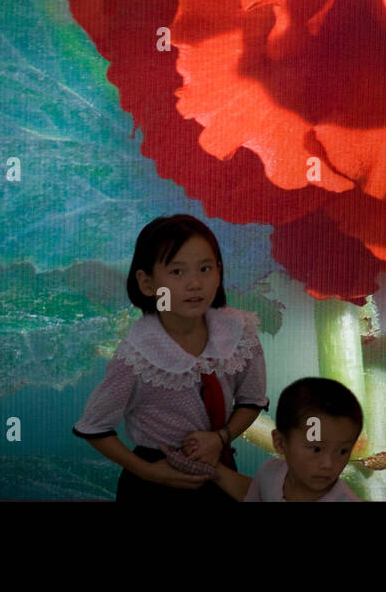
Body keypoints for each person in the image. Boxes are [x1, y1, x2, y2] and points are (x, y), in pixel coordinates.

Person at [72, 214, 268, 501]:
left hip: (220, 468)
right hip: (157, 480)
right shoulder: (136, 356)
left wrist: (220, 438)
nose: (195, 284)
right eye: (177, 272)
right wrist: (147, 472)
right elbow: (94, 427)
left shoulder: (240, 332)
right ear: (147, 282)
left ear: (219, 272)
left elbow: (251, 400)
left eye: (205, 269)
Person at [213, 377, 363, 502]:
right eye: (316, 449)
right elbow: (254, 494)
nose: (328, 464)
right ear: (280, 443)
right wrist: (212, 467)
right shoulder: (270, 472)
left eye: (343, 451)